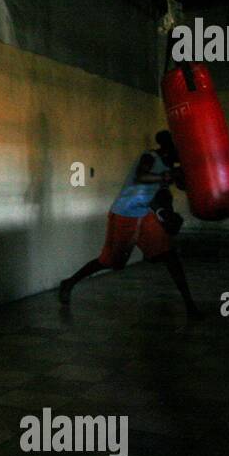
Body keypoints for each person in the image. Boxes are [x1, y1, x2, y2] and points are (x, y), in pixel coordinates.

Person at [58, 130, 203, 319]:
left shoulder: (169, 165)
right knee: (111, 262)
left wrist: (167, 212)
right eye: (178, 149)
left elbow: (164, 194)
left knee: (170, 256)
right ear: (168, 148)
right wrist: (166, 177)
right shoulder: (149, 156)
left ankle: (190, 306)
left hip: (144, 213)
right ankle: (69, 283)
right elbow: (141, 177)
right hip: (125, 213)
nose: (181, 154)